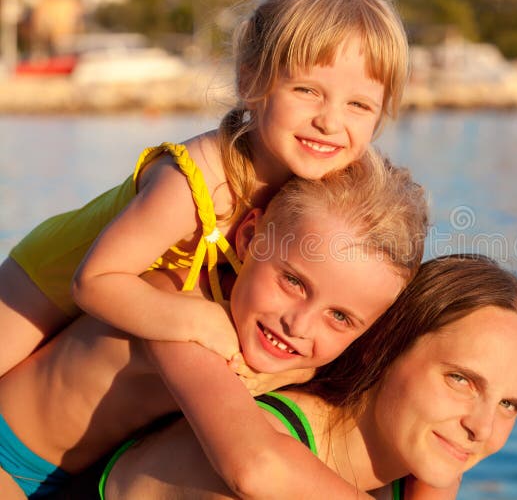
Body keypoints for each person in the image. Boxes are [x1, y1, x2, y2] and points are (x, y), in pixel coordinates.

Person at [0, 0, 409, 376]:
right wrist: (198, 320)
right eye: (307, 91)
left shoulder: (330, 188)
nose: (330, 123)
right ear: (250, 80)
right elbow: (93, 281)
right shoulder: (194, 182)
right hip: (40, 285)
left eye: (359, 105)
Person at [0, 150, 429, 499]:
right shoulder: (176, 305)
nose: (297, 324)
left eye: (339, 317)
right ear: (248, 238)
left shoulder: (278, 333)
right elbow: (248, 463)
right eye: (293, 281)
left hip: (73, 474)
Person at [98, 254, 517, 500]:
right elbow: (256, 470)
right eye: (461, 380)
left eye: (509, 405)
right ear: (385, 345)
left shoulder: (413, 463)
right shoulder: (249, 445)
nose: (482, 428)